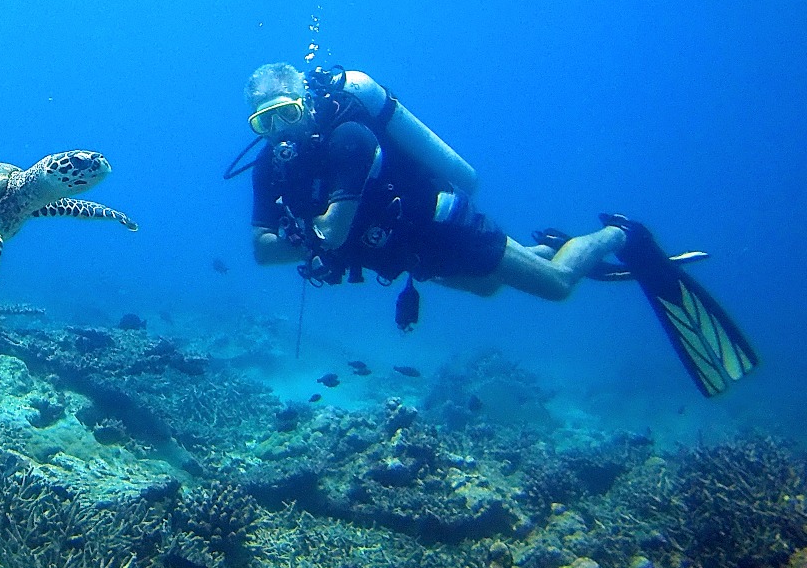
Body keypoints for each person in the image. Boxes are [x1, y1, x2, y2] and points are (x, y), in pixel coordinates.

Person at [238, 62, 758, 397]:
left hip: (439, 227)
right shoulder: (268, 168)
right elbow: (261, 253)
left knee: (555, 286)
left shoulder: (348, 138)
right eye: (264, 123)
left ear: (304, 104)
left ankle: (622, 235)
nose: (279, 134)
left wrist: (303, 234)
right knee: (488, 287)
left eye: (284, 114)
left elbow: (330, 231)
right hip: (404, 252)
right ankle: (548, 248)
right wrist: (310, 234)